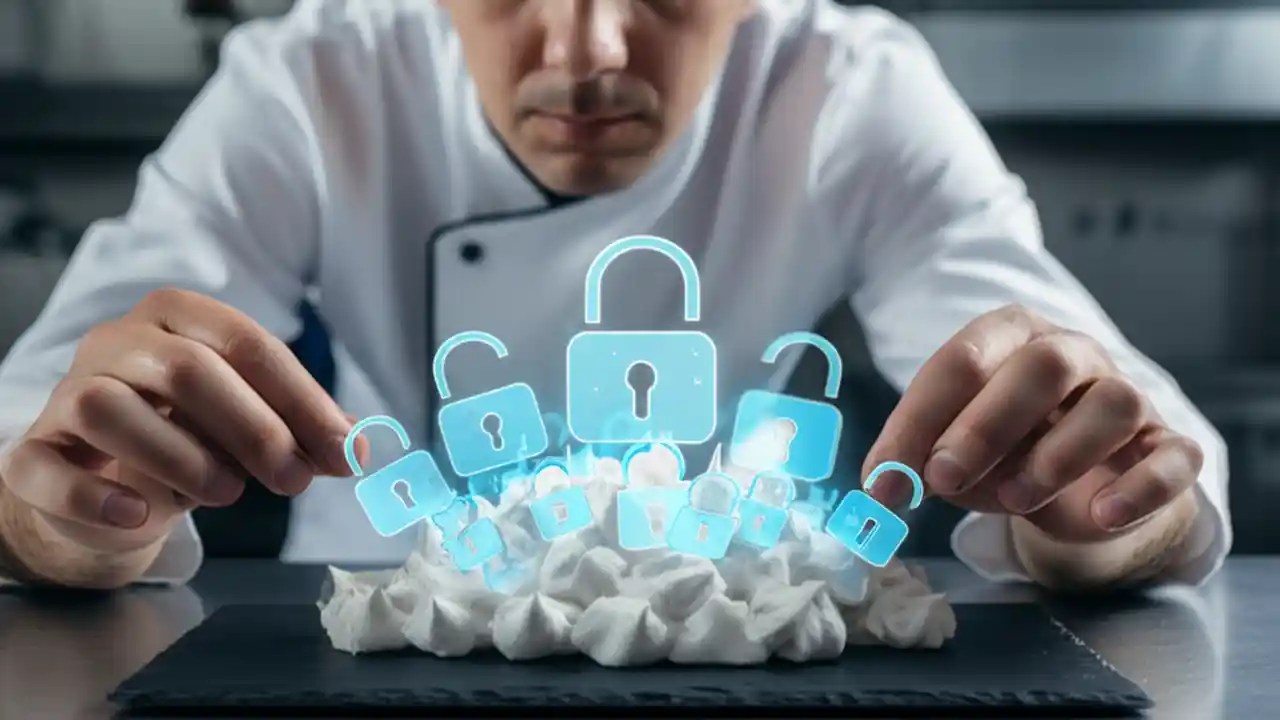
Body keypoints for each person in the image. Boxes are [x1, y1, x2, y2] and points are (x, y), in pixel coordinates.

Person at [0, 0, 1228, 592]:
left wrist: (1106, 505)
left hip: (715, 609)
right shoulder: (307, 82)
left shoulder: (848, 88)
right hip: (363, 610)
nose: (587, 51)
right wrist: (71, 512)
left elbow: (1134, 440)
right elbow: (35, 423)